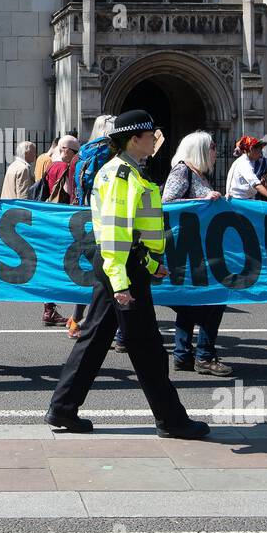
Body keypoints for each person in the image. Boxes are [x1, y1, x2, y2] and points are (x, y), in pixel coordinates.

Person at [45, 110, 210, 440]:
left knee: (94, 338)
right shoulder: (121, 176)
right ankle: (171, 419)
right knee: (147, 346)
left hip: (124, 265)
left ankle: (63, 408)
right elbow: (116, 233)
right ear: (135, 139)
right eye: (151, 136)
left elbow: (133, 233)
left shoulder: (128, 171)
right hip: (120, 267)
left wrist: (150, 264)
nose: (155, 140)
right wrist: (122, 282)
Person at [163, 131, 231, 376]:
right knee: (214, 300)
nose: (215, 151)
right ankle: (204, 355)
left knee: (191, 304)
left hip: (198, 249)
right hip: (188, 250)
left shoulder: (196, 173)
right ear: (200, 149)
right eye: (212, 146)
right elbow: (167, 202)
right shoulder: (183, 170)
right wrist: (203, 198)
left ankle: (183, 355)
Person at [66, 115, 117, 339]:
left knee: (86, 273)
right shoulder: (111, 155)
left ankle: (76, 319)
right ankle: (103, 326)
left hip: (80, 216)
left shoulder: (80, 155)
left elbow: (71, 189)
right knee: (108, 273)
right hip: (105, 218)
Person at [40, 135, 81, 327]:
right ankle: (77, 314)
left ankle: (49, 308)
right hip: (65, 222)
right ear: (68, 151)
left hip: (50, 221)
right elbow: (70, 194)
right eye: (76, 152)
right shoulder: (66, 168)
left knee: (51, 265)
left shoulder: (50, 166)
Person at [225, 135, 267, 203]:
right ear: (251, 149)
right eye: (259, 151)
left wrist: (261, 183)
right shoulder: (244, 163)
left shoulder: (243, 161)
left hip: (241, 200)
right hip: (240, 201)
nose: (260, 154)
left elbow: (250, 184)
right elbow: (256, 185)